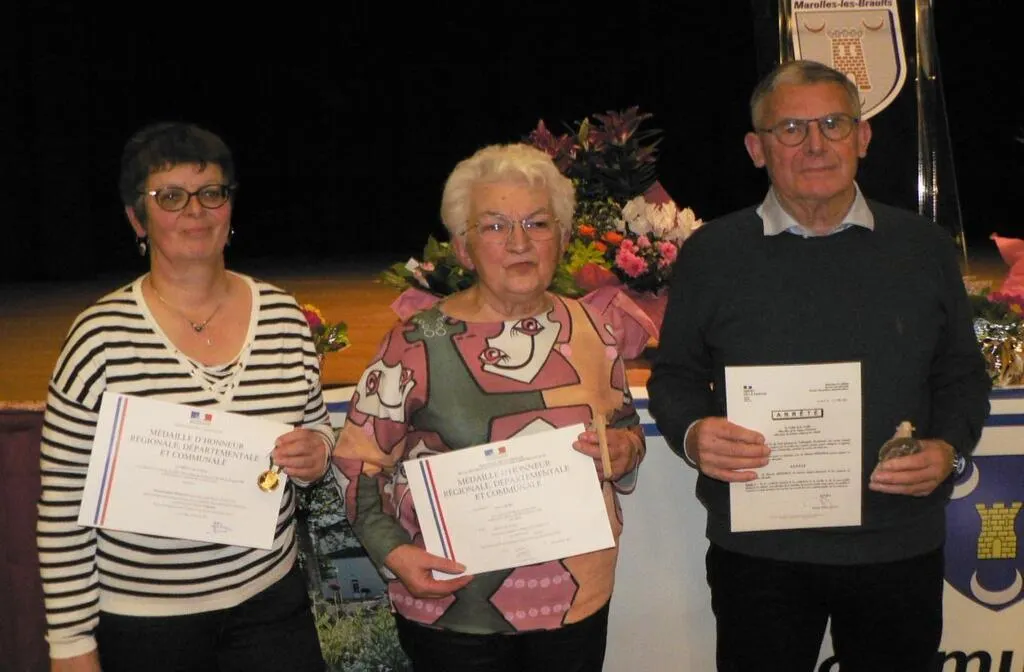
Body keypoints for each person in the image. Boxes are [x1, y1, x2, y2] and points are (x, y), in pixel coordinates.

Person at [647, 60, 991, 672]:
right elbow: (674, 377)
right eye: (790, 129)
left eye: (833, 124)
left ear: (862, 137)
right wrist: (696, 435)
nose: (814, 145)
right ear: (757, 148)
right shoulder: (712, 254)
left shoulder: (924, 248)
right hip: (760, 549)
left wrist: (950, 452)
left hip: (896, 542)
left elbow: (961, 375)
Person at [331, 143, 645, 671]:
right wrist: (395, 554)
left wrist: (624, 448)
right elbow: (356, 463)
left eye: (538, 224)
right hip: (452, 607)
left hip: (575, 604)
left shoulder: (594, 329)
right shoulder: (417, 340)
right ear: (464, 247)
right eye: (496, 226)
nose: (520, 243)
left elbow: (628, 429)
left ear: (563, 239)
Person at [37, 122, 332, 672]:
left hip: (269, 605)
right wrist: (71, 644)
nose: (194, 210)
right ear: (136, 217)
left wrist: (316, 453)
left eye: (211, 192)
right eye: (169, 196)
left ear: (229, 207)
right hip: (144, 624)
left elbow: (317, 429)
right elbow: (61, 510)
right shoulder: (99, 335)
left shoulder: (285, 315)